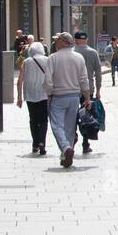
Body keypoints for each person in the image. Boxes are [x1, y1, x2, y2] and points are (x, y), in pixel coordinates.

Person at [44, 31, 90, 168]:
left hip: (58, 96)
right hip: (74, 97)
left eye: (57, 40)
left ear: (63, 42)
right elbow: (84, 80)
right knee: (70, 127)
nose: (55, 43)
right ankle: (66, 154)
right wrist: (87, 98)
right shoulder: (79, 57)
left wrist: (49, 92)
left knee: (57, 125)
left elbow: (47, 81)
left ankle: (65, 148)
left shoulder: (53, 58)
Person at [17, 41, 49, 156]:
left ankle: (35, 143)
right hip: (44, 94)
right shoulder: (47, 60)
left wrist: (19, 97)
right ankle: (42, 142)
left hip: (30, 94)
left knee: (33, 119)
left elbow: (20, 80)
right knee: (44, 119)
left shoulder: (26, 62)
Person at [73, 31, 103, 155]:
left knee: (73, 115)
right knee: (86, 117)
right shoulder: (93, 52)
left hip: (73, 89)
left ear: (75, 40)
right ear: (87, 39)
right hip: (89, 89)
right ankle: (85, 144)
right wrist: (99, 89)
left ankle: (72, 139)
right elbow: (98, 71)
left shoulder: (72, 53)